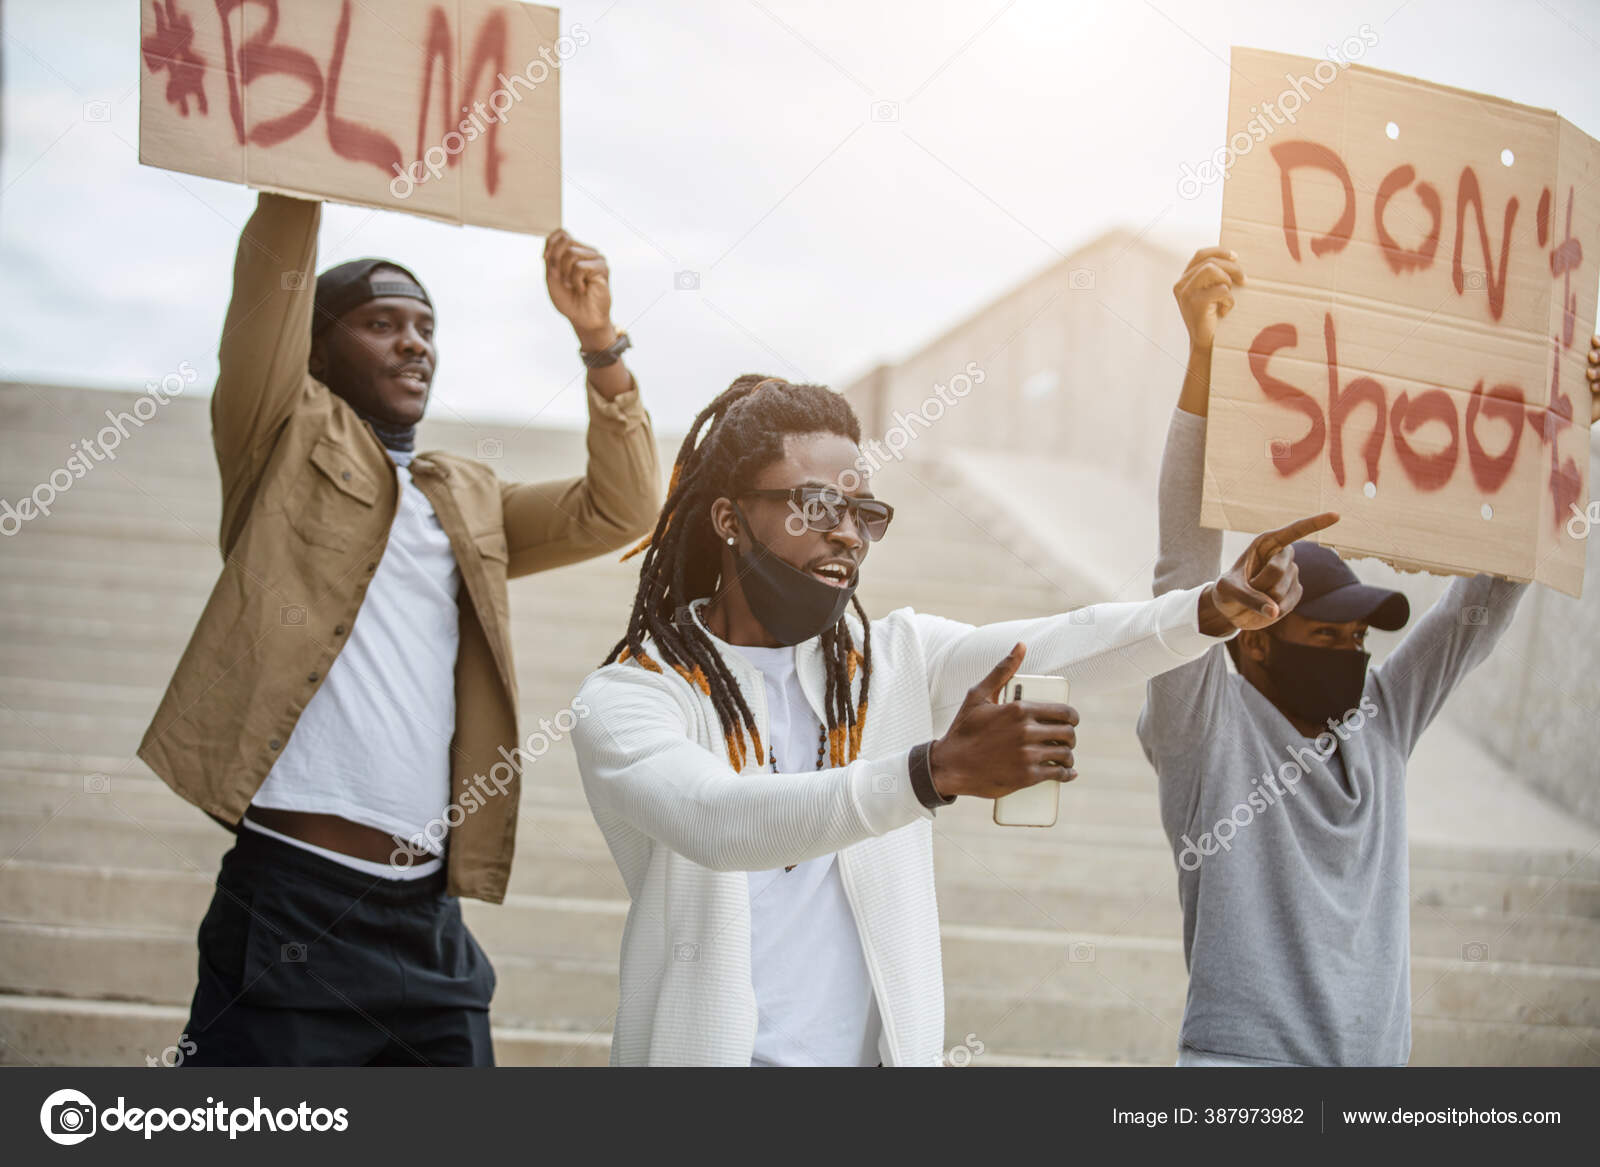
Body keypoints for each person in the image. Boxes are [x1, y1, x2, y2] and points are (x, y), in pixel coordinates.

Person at [570, 373, 1334, 1066]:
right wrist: (929, 772)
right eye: (818, 506)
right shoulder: (635, 696)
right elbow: (718, 820)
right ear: (731, 519)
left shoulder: (890, 661)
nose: (847, 533)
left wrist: (1209, 609)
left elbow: (1068, 639)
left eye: (863, 513)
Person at [138, 191, 661, 1066]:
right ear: (315, 347)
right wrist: (295, 174)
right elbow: (269, 287)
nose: (414, 342)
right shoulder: (279, 437)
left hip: (426, 919)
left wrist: (599, 342)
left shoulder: (466, 495)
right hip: (289, 905)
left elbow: (623, 508)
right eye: (382, 322)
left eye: (425, 326)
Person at [1139, 246, 1600, 1066]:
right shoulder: (1205, 729)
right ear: (1254, 639)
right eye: (1326, 635)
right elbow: (1181, 567)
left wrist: (1569, 436)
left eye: (1357, 638)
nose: (1351, 654)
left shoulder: (1380, 720)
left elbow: (1482, 605)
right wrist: (1204, 358)